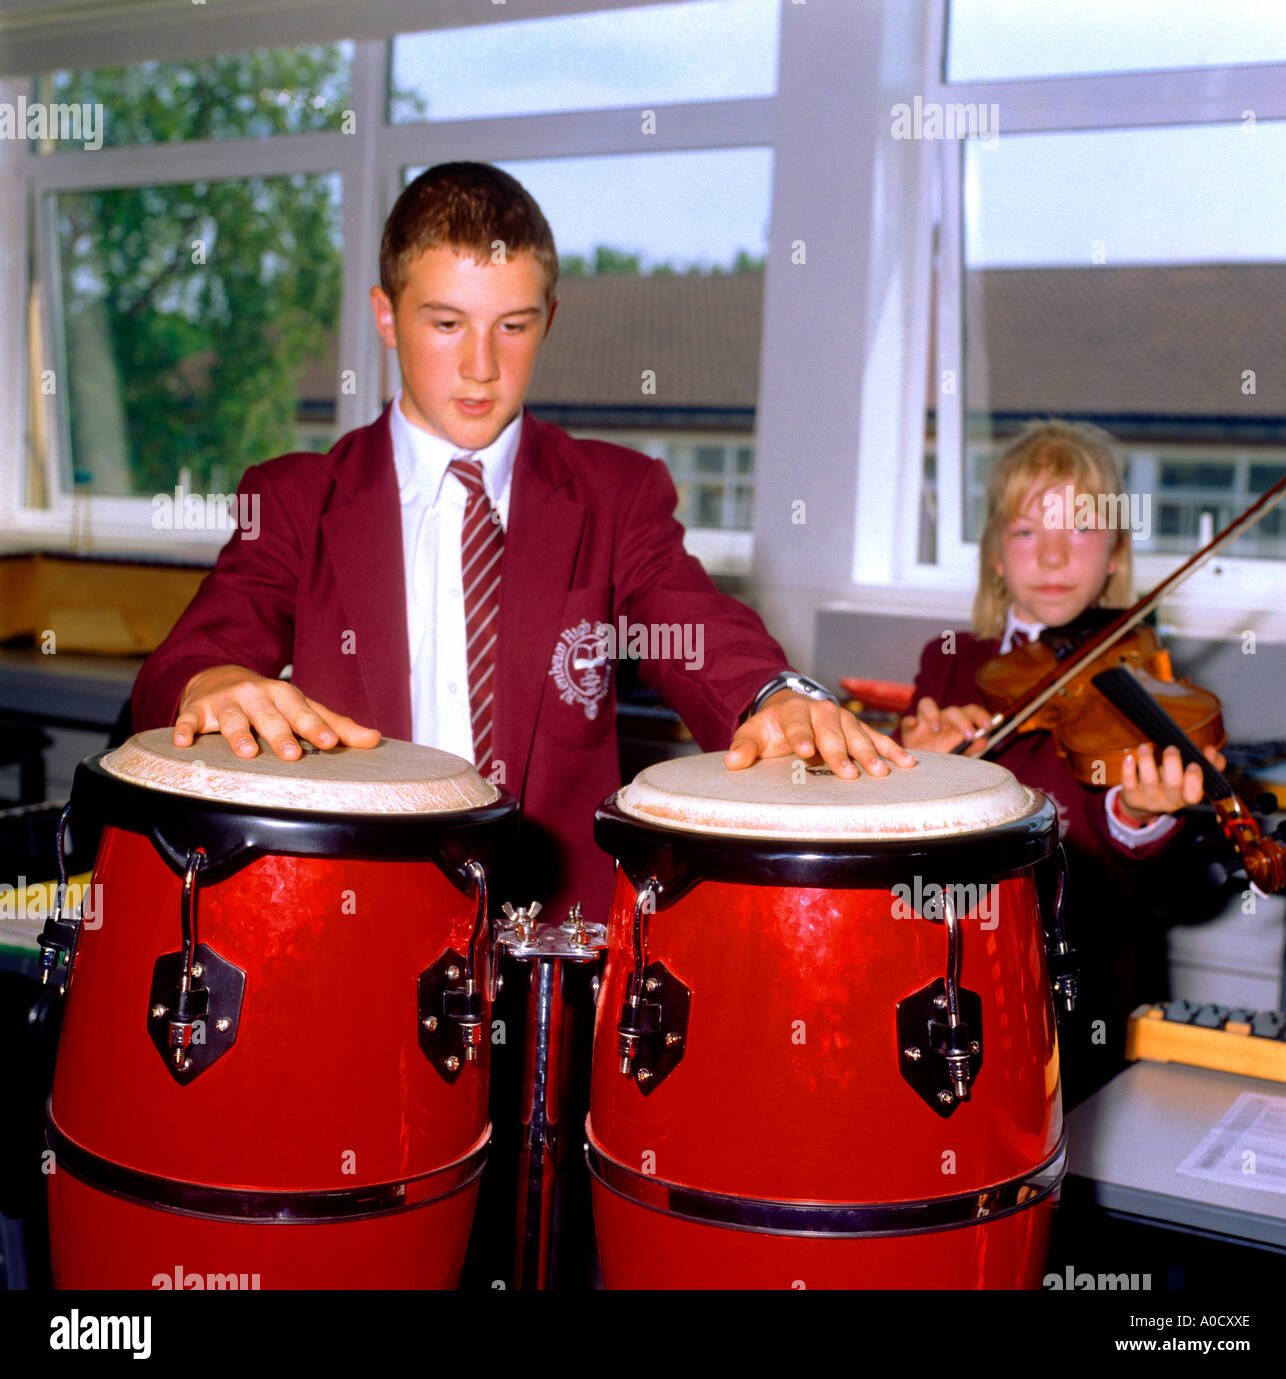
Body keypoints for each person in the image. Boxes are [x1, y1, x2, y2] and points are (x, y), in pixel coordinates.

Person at [131, 161, 914, 930]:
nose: (482, 367)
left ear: (550, 318)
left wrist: (771, 695)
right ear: (384, 314)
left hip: (555, 951)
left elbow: (693, 620)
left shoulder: (616, 494)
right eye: (446, 323)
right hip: (347, 935)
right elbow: (185, 662)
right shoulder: (296, 500)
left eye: (513, 325)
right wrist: (213, 681)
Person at [899, 420, 1226, 1106]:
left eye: (1078, 529)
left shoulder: (1137, 667)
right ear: (995, 554)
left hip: (1089, 964)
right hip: (964, 959)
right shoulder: (948, 660)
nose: (1051, 557)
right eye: (1025, 532)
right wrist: (918, 768)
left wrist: (1139, 810)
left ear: (1115, 555)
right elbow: (910, 839)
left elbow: (1118, 827)